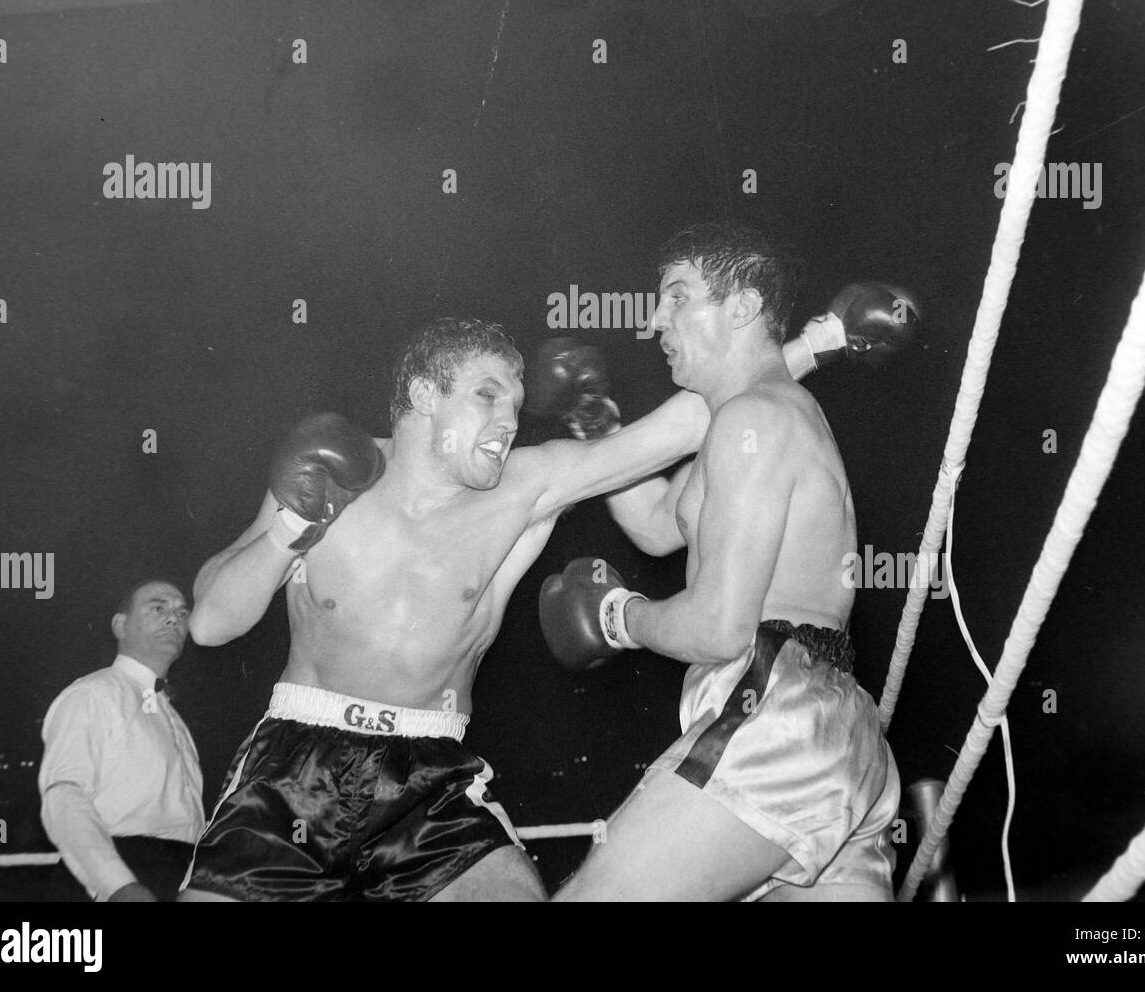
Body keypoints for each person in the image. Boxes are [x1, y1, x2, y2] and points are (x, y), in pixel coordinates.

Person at [180, 315, 826, 902]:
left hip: (425, 778)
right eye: (487, 394)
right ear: (425, 395)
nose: (508, 420)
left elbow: (681, 426)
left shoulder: (523, 487)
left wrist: (819, 341)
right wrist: (290, 522)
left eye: (515, 404)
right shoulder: (333, 474)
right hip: (293, 770)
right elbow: (210, 621)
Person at [540, 223, 917, 901]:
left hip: (773, 710)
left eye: (677, 296)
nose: (655, 320)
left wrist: (617, 615)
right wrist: (596, 424)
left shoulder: (752, 420)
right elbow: (659, 526)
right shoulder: (758, 419)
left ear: (741, 306)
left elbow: (719, 627)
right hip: (837, 734)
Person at [39, 580, 204, 901]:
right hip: (125, 873)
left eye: (182, 613)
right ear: (120, 625)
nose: (174, 619)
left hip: (179, 877)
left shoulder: (171, 716)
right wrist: (118, 885)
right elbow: (64, 796)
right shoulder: (92, 694)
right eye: (158, 608)